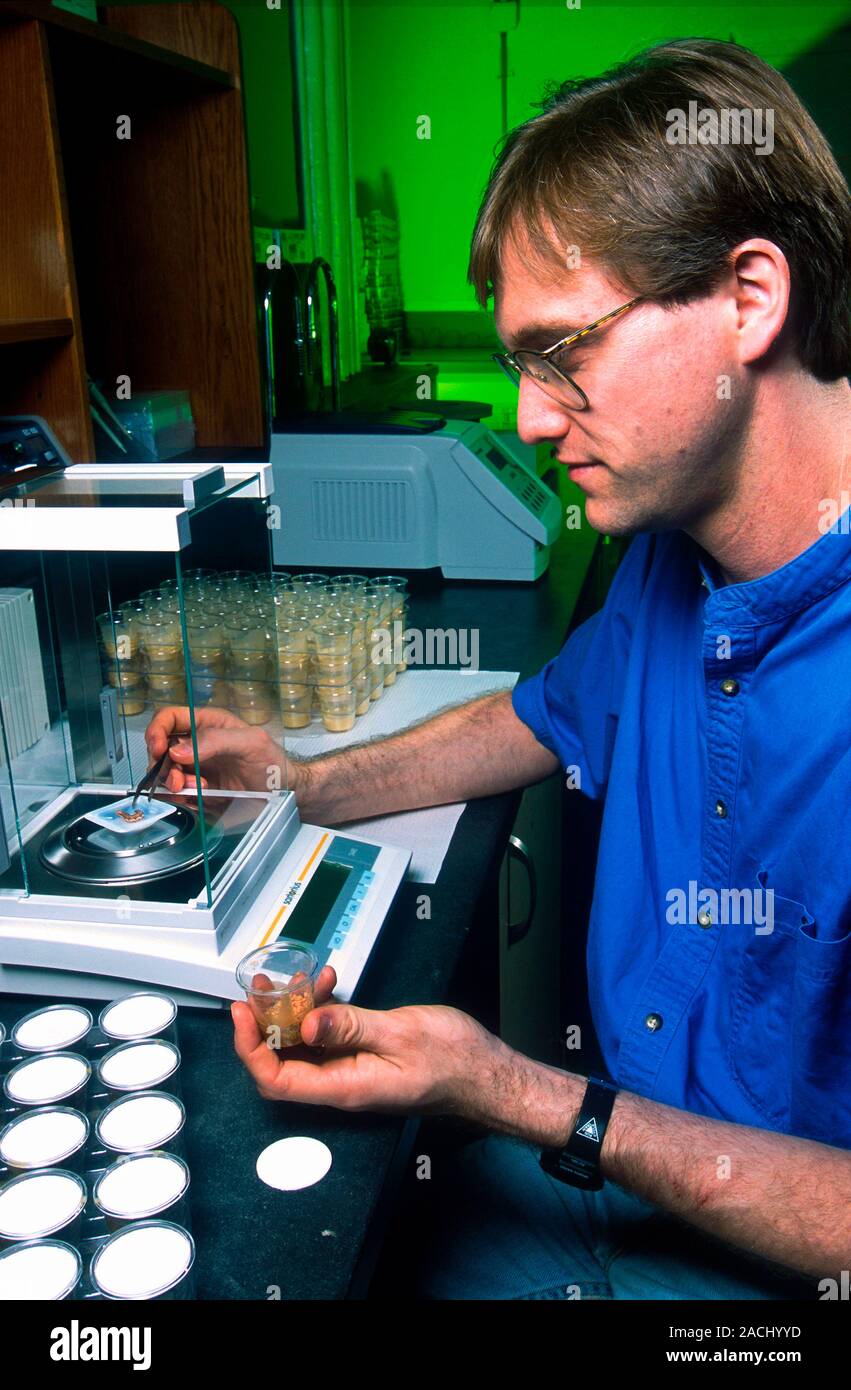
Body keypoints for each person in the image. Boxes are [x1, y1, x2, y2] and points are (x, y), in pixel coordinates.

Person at [146, 38, 851, 1299]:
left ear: (748, 299)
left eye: (561, 348)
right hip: (626, 1188)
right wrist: (304, 783)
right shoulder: (670, 545)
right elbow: (539, 713)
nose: (527, 416)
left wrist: (518, 1091)